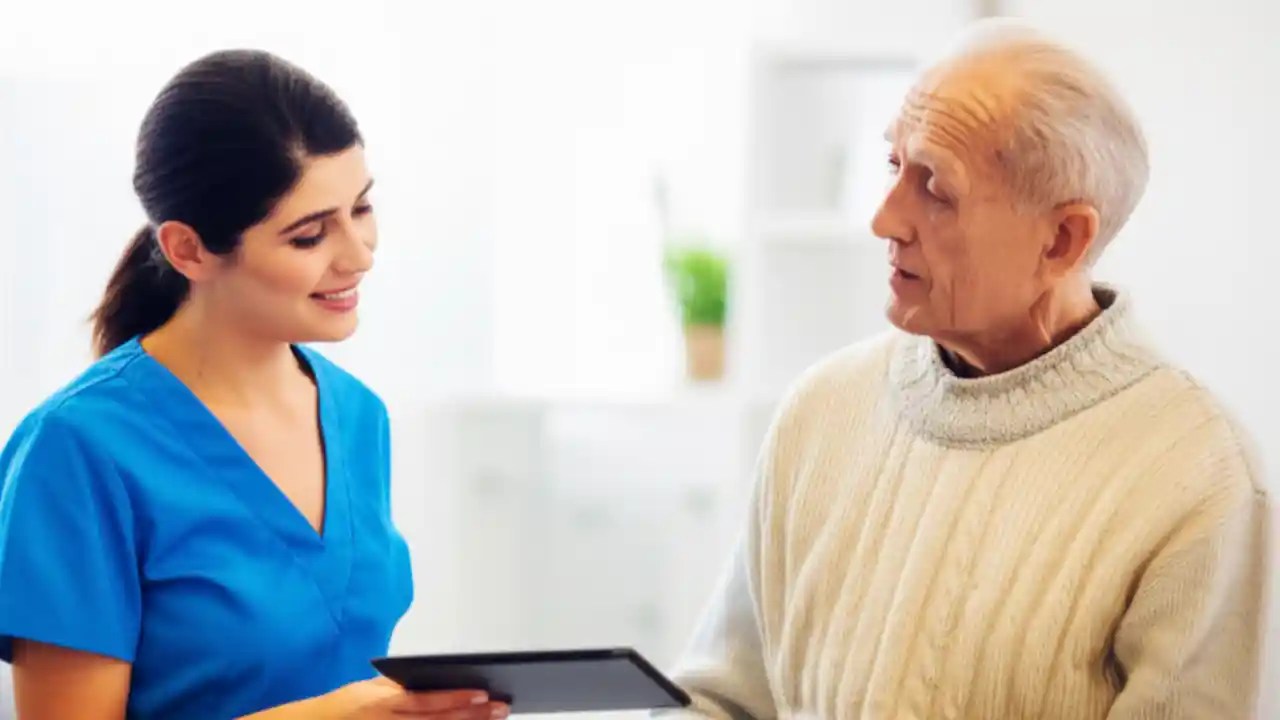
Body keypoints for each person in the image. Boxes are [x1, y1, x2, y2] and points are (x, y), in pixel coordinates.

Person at [662, 19, 1270, 720]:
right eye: (894, 166)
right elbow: (720, 702)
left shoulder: (1197, 475)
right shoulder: (821, 411)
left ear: (1062, 238)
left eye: (936, 189)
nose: (885, 220)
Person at [0, 50, 509, 720]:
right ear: (188, 250)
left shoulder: (358, 416)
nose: (359, 254)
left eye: (361, 208)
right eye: (308, 235)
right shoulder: (76, 451)